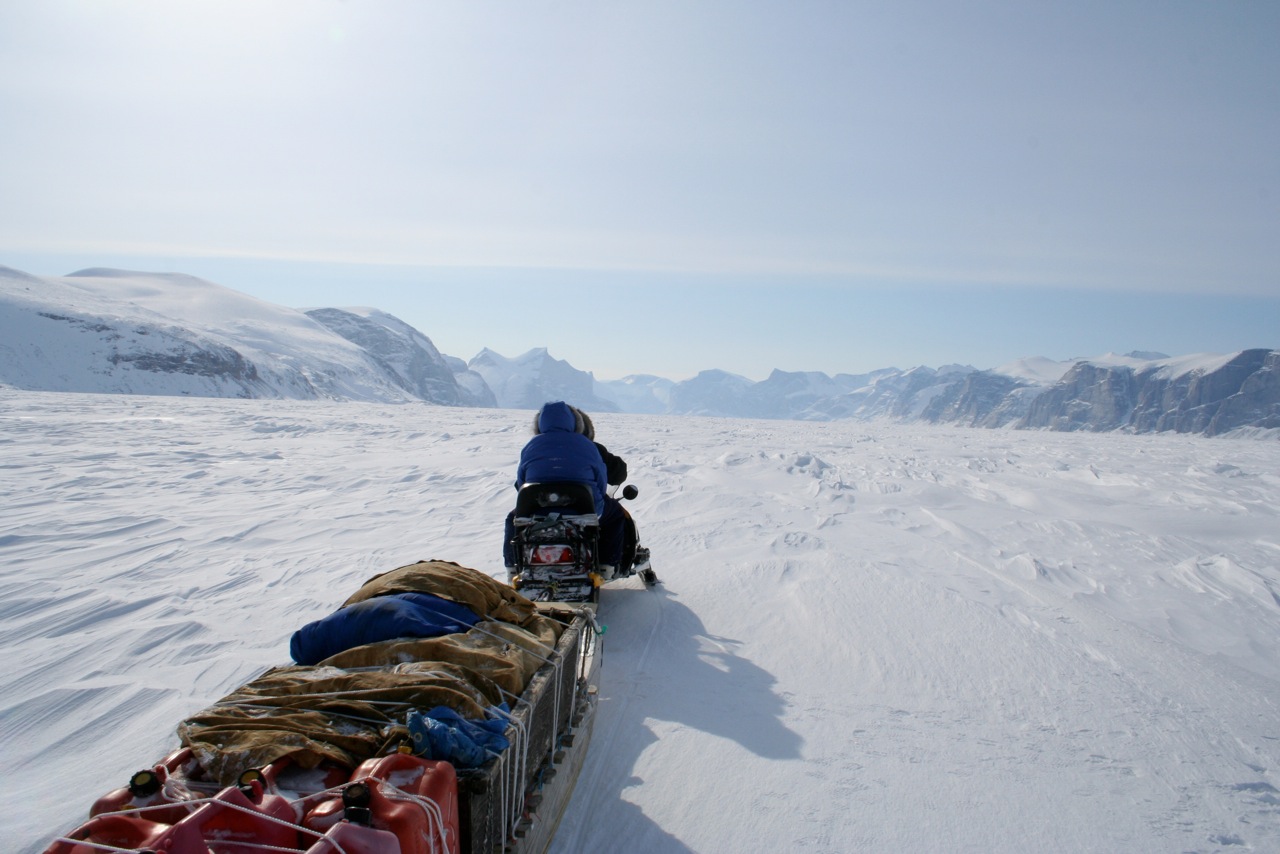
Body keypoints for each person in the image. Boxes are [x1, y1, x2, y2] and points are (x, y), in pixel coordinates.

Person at [505, 401, 626, 575]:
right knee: (615, 516)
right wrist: (599, 497)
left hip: (537, 508)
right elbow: (601, 477)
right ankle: (607, 565)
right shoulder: (587, 445)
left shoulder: (531, 445)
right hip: (583, 508)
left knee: (512, 519)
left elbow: (521, 480)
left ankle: (513, 567)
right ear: (576, 423)